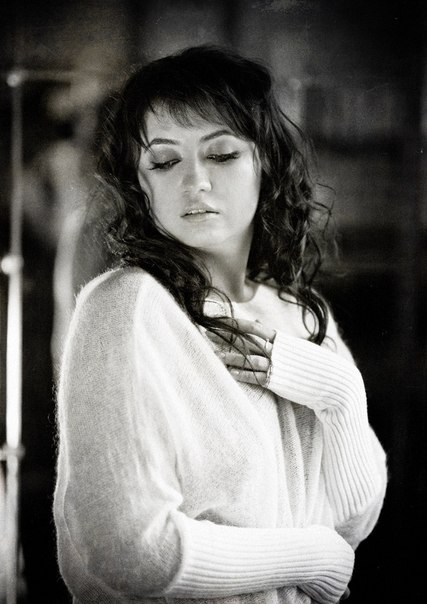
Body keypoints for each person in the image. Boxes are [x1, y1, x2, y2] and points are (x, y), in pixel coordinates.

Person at [53, 46, 387, 604]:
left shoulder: (301, 312)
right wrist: (310, 555)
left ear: (265, 164)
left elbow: (353, 522)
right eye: (165, 162)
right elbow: (131, 553)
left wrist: (340, 394)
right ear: (140, 184)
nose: (195, 182)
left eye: (222, 154)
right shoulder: (126, 306)